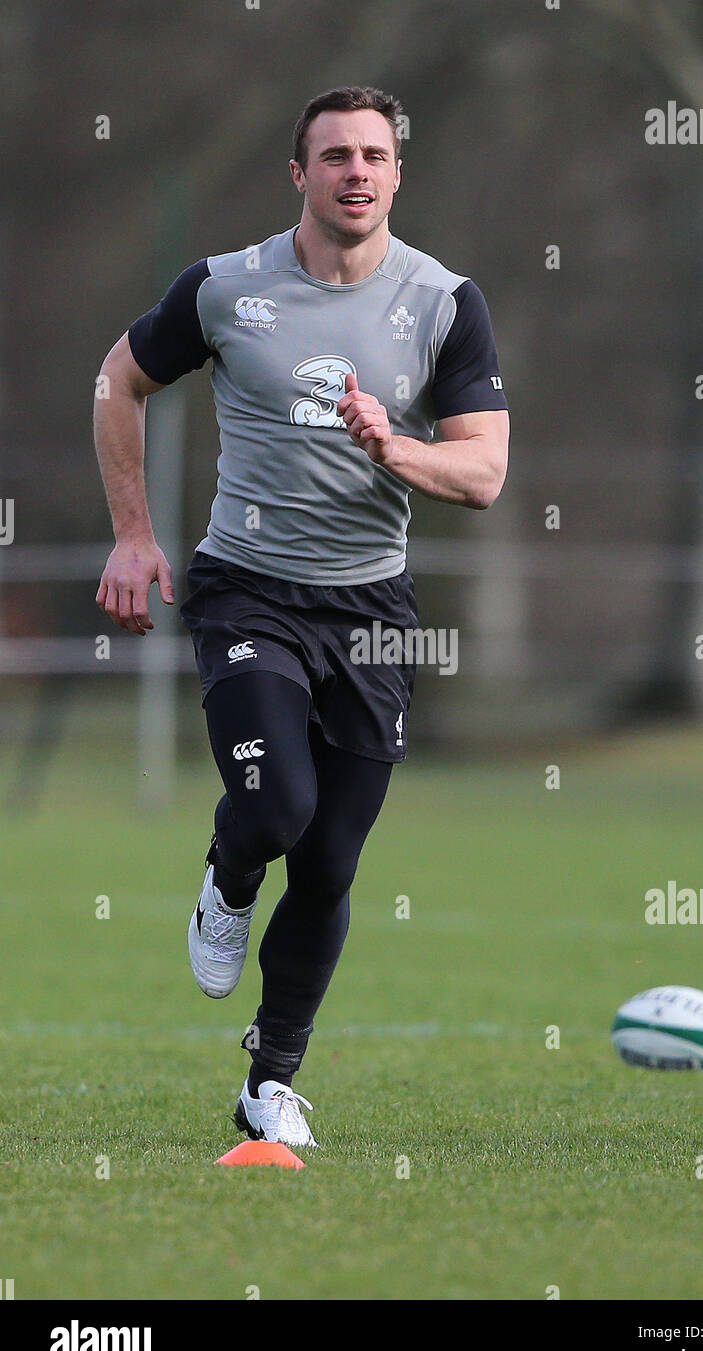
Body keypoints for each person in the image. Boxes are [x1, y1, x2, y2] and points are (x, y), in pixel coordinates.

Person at [94, 86, 509, 1149]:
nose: (356, 171)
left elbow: (483, 473)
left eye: (374, 154)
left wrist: (393, 448)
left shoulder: (443, 300)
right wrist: (134, 534)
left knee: (329, 864)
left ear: (397, 174)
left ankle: (270, 1081)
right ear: (299, 174)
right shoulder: (228, 288)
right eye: (334, 155)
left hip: (371, 606)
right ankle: (227, 877)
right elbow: (119, 380)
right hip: (248, 586)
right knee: (274, 810)